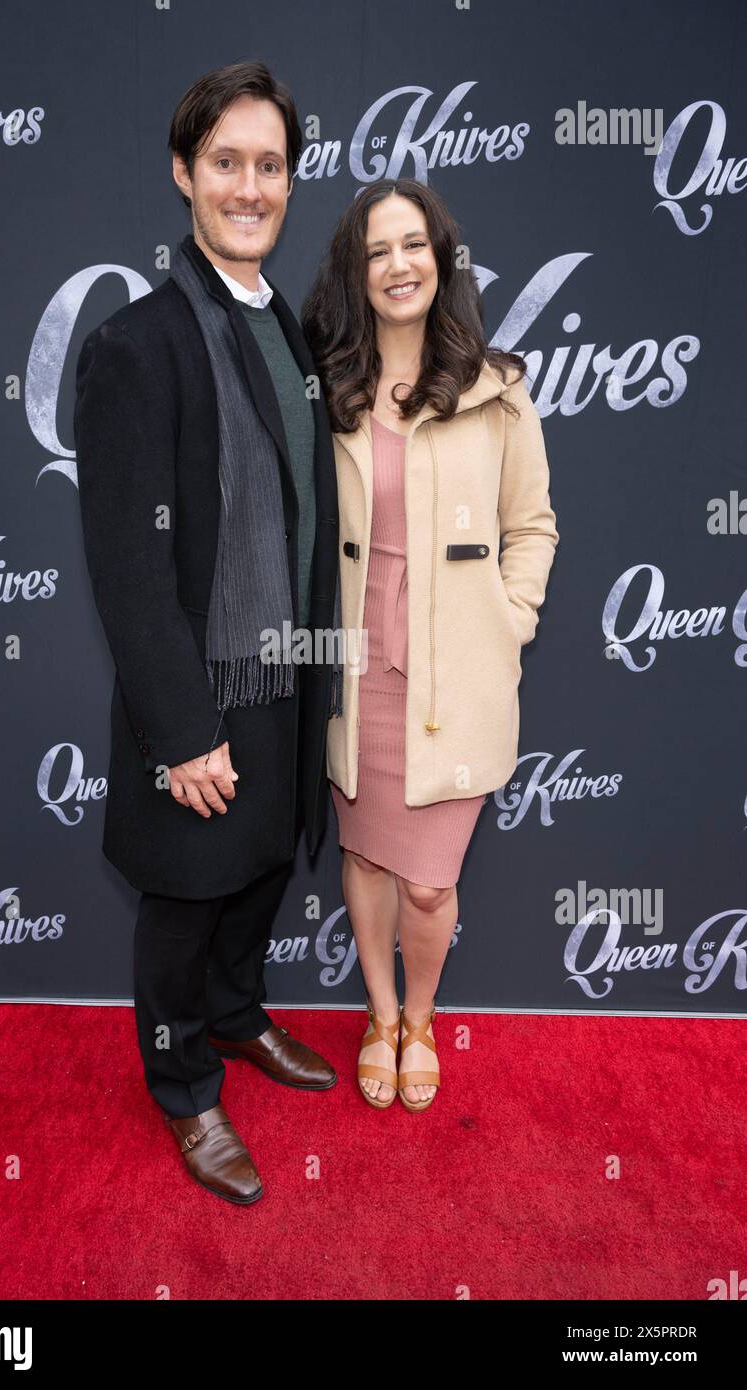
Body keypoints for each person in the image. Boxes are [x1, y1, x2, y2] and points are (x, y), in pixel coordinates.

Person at [73, 61, 340, 1204]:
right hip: (199, 685)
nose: (248, 186)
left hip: (285, 673)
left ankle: (235, 1017)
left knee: (261, 867)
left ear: (290, 181)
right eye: (224, 162)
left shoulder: (283, 327)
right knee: (186, 896)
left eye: (268, 166)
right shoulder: (139, 342)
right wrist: (182, 731)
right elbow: (129, 564)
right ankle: (183, 1085)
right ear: (183, 174)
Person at [302, 178, 559, 1114]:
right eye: (376, 251)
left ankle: (422, 1014)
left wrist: (510, 617)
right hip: (358, 670)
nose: (397, 265)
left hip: (459, 672)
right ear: (356, 272)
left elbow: (533, 526)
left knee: (426, 886)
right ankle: (379, 1017)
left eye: (413, 245)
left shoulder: (499, 389)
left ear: (442, 258)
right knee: (366, 860)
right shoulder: (328, 387)